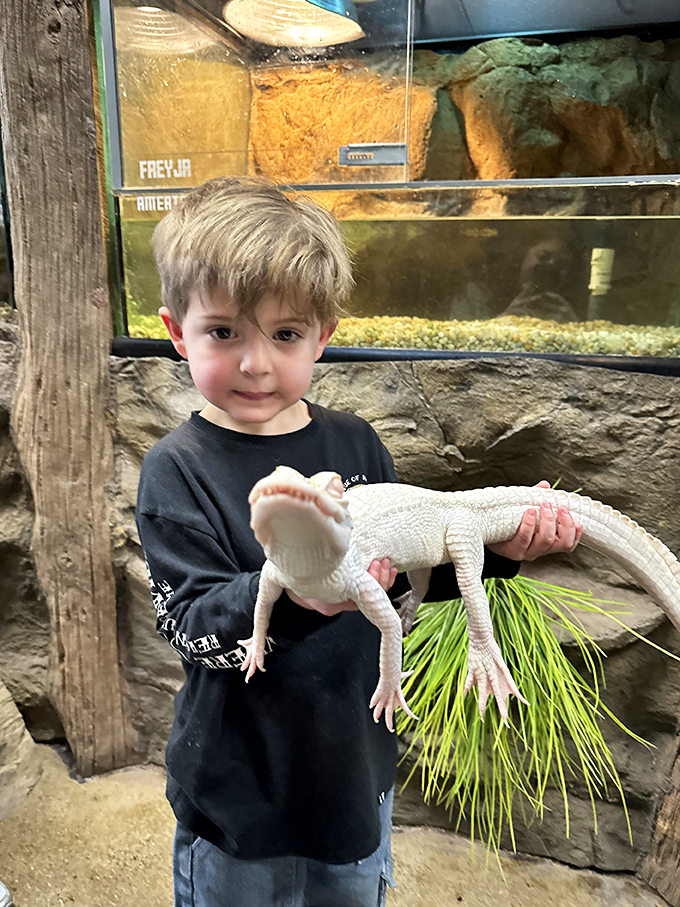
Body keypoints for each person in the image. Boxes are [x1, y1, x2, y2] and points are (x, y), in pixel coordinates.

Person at [136, 176, 583, 907]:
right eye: (223, 332)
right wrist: (298, 595)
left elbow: (401, 576)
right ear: (177, 331)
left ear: (324, 335)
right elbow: (187, 624)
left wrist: (505, 554)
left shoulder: (356, 443)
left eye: (285, 334)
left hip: (354, 771)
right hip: (239, 788)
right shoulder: (175, 469)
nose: (255, 362)